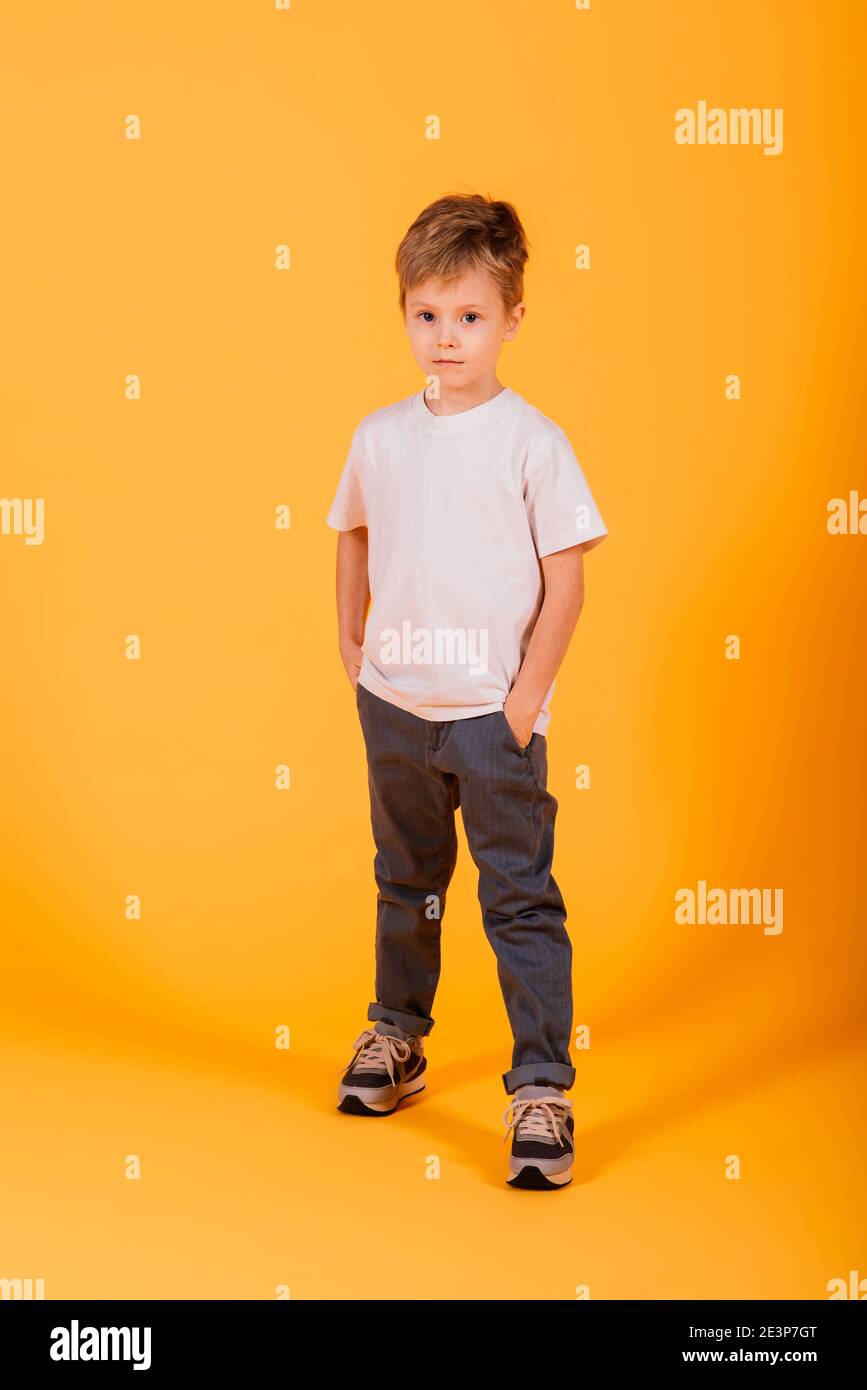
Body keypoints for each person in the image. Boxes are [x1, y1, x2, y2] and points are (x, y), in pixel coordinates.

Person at [326, 193, 608, 1189]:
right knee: (405, 881)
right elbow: (353, 534)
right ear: (403, 312)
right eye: (427, 315)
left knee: (519, 896)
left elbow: (567, 577)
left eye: (471, 316)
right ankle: (396, 1036)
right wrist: (354, 649)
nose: (446, 337)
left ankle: (540, 1085)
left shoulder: (535, 442)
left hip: (494, 718)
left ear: (514, 318)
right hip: (397, 708)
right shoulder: (381, 435)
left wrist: (527, 696)